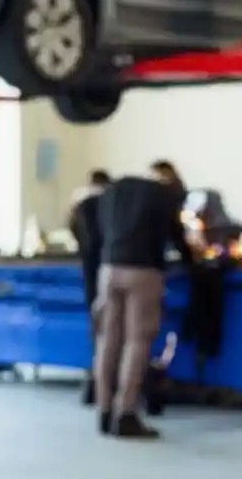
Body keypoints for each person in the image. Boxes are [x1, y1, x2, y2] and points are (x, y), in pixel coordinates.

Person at [93, 167, 195, 439]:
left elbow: (100, 228)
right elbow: (176, 235)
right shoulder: (162, 195)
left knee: (108, 340)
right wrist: (192, 262)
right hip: (142, 271)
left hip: (108, 268)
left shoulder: (113, 189)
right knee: (137, 341)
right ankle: (125, 413)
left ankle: (104, 410)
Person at [69, 169, 111, 405]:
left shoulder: (80, 204)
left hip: (90, 275)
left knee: (98, 333)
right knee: (114, 334)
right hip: (110, 270)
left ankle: (95, 386)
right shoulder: (110, 205)